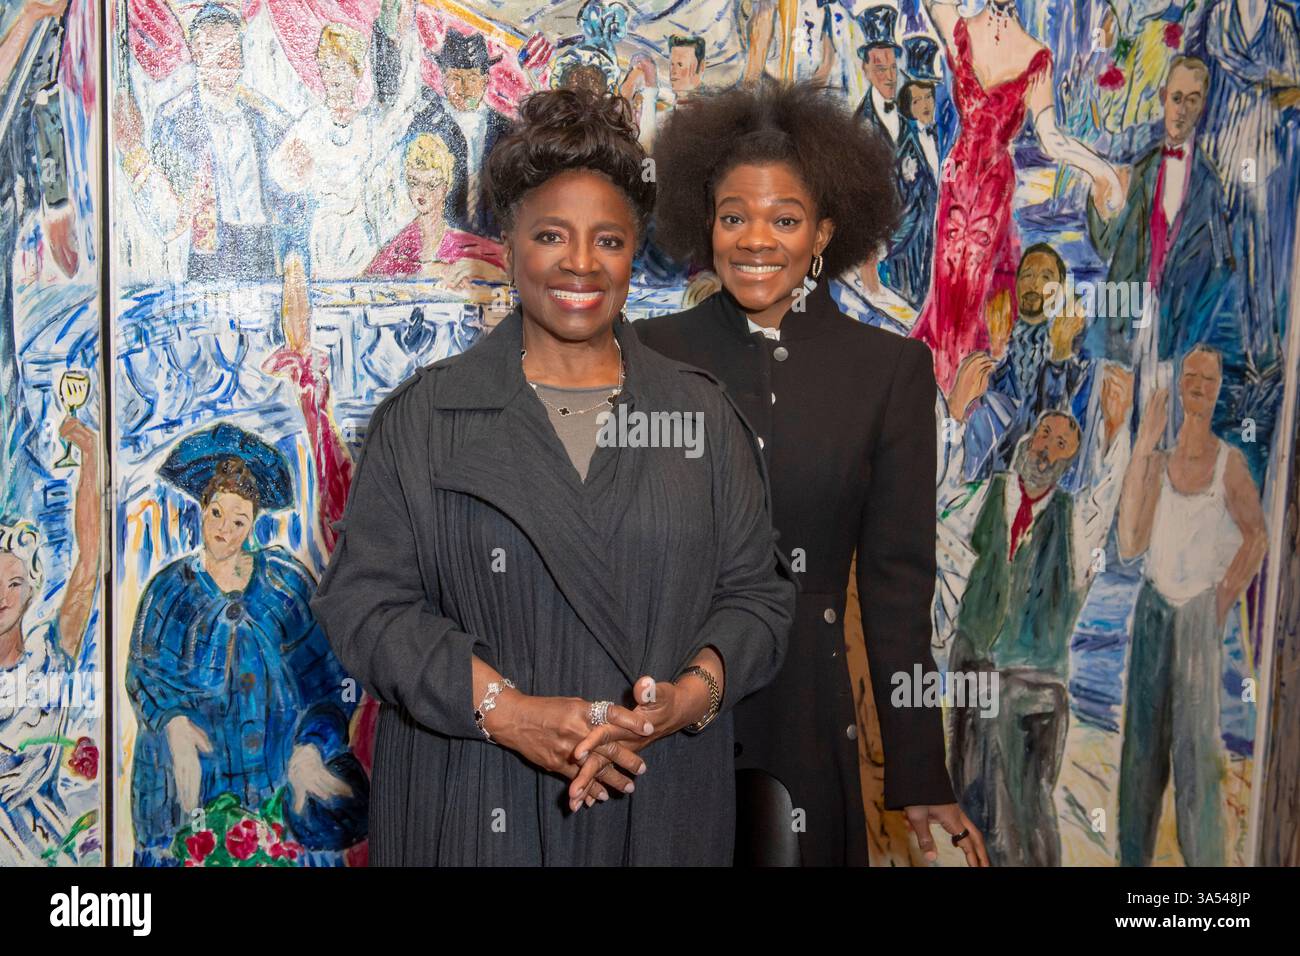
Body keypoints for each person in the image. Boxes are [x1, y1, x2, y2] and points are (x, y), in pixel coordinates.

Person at [311, 88, 795, 866]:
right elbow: (365, 606)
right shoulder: (426, 418)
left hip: (658, 801)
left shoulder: (700, 416)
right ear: (508, 245)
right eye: (551, 235)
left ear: (634, 252)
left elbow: (760, 599)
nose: (579, 262)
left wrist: (683, 703)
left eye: (607, 239)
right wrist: (507, 712)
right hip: (472, 802)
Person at [637, 80, 985, 867]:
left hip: (806, 716)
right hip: (664, 710)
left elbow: (899, 590)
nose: (755, 240)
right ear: (706, 222)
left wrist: (921, 771)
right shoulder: (646, 355)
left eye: (784, 219)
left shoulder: (888, 371)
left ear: (825, 230)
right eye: (735, 216)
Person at [126, 423, 365, 866]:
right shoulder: (169, 592)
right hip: (196, 803)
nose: (225, 531)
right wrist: (173, 724)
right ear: (202, 509)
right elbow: (145, 677)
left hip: (277, 804)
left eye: (239, 520)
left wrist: (310, 749)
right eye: (217, 513)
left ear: (253, 523)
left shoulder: (285, 584)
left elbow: (329, 684)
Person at [910, 0, 1124, 391]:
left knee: (972, 288)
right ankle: (933, 389)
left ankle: (960, 390)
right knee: (946, 284)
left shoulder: (1036, 57)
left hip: (992, 189)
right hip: (956, 183)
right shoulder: (957, 25)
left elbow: (1053, 140)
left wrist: (1101, 170)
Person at [1116, 345, 1267, 866]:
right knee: (1141, 754)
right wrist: (1143, 448)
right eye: (1191, 377)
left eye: (1209, 378)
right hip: (1154, 607)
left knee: (1196, 756)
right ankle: (1131, 863)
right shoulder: (1158, 461)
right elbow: (1130, 542)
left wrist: (1222, 598)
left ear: (1219, 388)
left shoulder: (1229, 464)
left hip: (1198, 615)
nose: (1199, 386)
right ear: (1180, 385)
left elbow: (1257, 537)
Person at [1086, 56, 1235, 422]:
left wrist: (1192, 321)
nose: (1182, 110)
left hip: (1173, 325)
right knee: (1111, 418)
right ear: (1164, 97)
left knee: (1159, 418)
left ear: (1203, 105)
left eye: (1193, 100)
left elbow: (1222, 267)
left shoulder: (1210, 185)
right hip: (1123, 312)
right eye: (1177, 98)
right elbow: (1106, 246)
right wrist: (1097, 202)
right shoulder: (1140, 170)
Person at [113, 3, 297, 281]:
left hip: (262, 249)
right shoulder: (173, 118)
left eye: (233, 50)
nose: (227, 61)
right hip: (210, 253)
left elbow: (289, 197)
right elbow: (169, 219)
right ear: (197, 53)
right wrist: (133, 152)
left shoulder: (267, 116)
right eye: (215, 51)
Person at [0, 417, 99, 863]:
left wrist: (93, 458)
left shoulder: (50, 655)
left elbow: (90, 559)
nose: (3, 596)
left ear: (32, 588)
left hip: (43, 844)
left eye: (14, 583)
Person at [406, 30, 513, 238]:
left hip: (492, 237)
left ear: (485, 80)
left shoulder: (505, 129)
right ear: (443, 77)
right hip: (443, 236)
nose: (464, 88)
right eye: (456, 77)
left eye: (472, 78)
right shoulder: (427, 122)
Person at [364, 133, 507, 282]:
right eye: (414, 182)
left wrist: (485, 270)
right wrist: (431, 270)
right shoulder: (402, 244)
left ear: (446, 187)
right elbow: (369, 278)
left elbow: (511, 268)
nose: (421, 192)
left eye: (431, 184)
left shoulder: (465, 243)